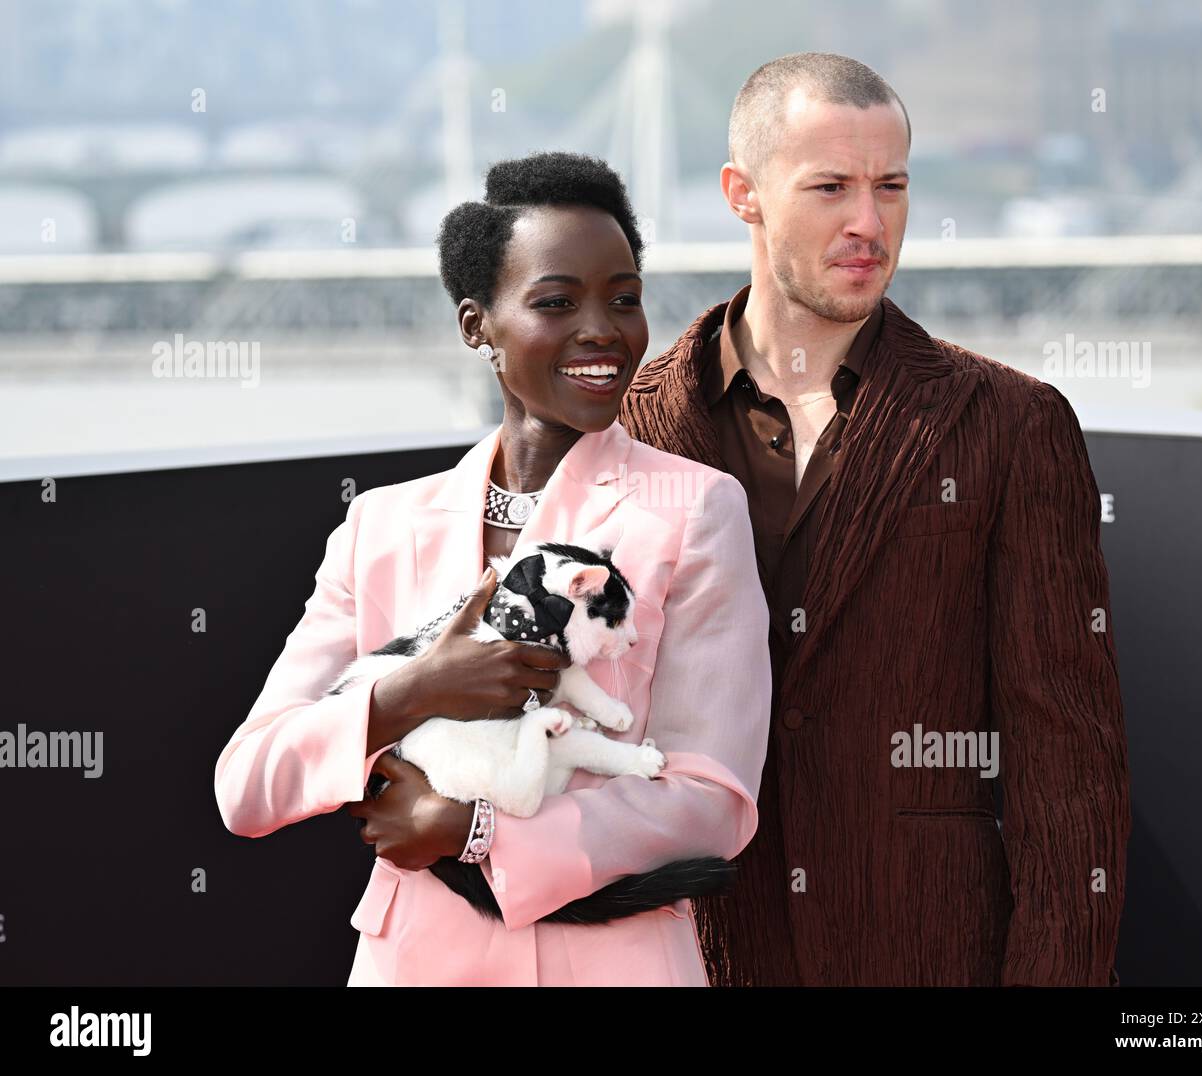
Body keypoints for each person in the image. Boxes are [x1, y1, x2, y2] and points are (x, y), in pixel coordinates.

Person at [619, 53, 1133, 986]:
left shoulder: (1012, 425)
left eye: (891, 186)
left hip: (929, 954)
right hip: (691, 955)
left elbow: (1070, 774)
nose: (870, 222)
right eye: (830, 188)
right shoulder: (630, 427)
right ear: (744, 193)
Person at [213, 151, 772, 986]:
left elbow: (712, 800)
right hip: (415, 963)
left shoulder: (694, 509)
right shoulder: (381, 525)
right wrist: (415, 691)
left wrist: (474, 831)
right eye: (556, 302)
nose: (602, 331)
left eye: (625, 300)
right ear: (477, 326)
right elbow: (248, 783)